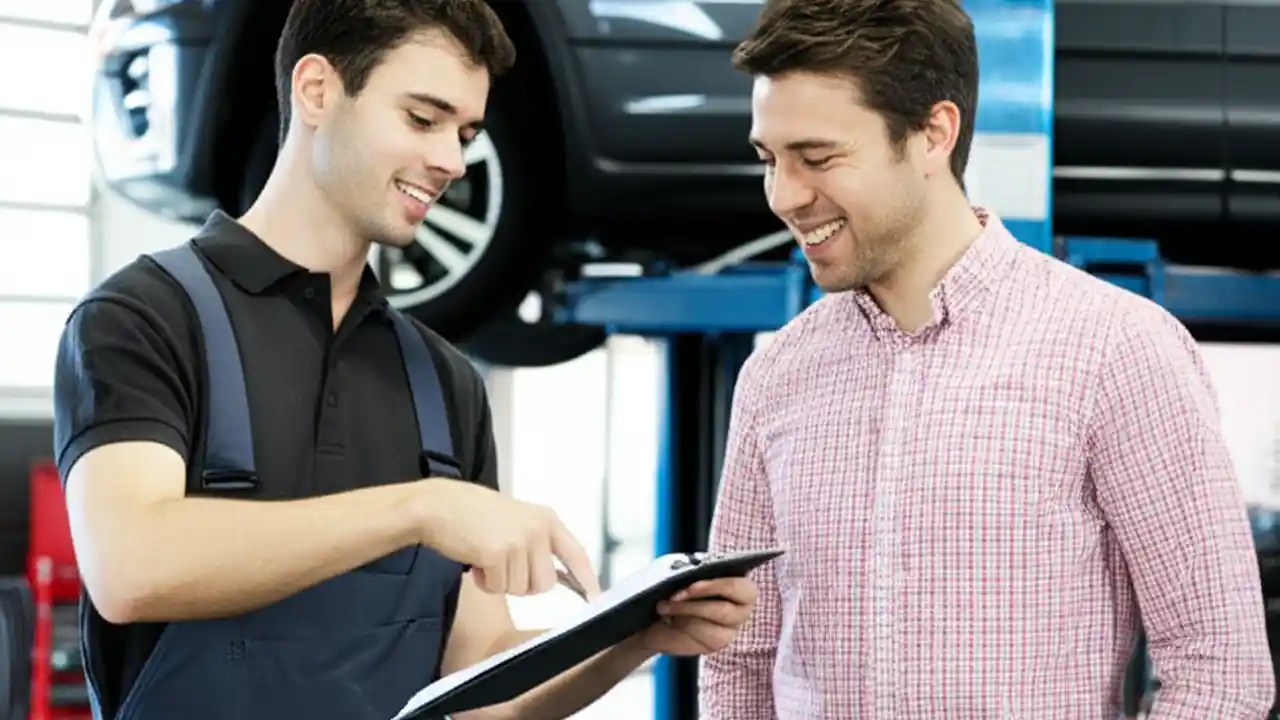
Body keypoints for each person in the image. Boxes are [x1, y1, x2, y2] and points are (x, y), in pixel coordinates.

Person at [53, 1, 758, 718]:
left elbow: (480, 683)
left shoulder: (443, 384)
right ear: (318, 90)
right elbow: (133, 564)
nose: (453, 160)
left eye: (466, 132)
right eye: (423, 119)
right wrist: (421, 509)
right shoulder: (143, 317)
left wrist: (634, 635)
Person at [697, 0, 1274, 718]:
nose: (784, 196)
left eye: (817, 158)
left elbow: (1220, 671)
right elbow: (740, 660)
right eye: (768, 159)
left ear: (935, 133)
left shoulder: (1115, 350)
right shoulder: (777, 374)